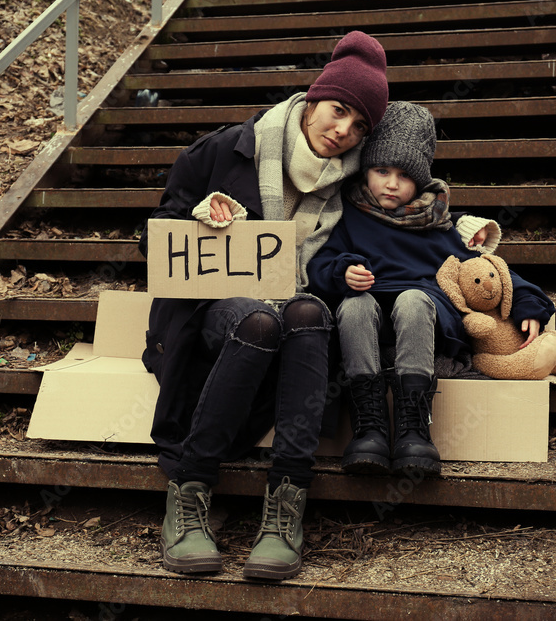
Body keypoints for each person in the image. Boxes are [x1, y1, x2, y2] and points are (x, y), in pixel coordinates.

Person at [138, 31, 388, 580]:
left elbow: (404, 233)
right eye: (338, 110)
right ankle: (189, 489)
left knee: (306, 313)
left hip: (296, 334)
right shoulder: (228, 149)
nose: (343, 130)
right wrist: (199, 219)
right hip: (209, 315)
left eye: (360, 125)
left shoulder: (354, 191)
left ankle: (285, 507)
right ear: (313, 100)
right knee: (258, 316)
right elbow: (152, 241)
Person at [307, 101, 555, 478]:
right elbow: (318, 264)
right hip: (366, 327)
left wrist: (527, 302)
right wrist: (342, 273)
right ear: (365, 170)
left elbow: (484, 270)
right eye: (381, 170)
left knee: (412, 298)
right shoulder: (347, 216)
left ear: (420, 181)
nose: (391, 183)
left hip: (424, 323)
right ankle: (369, 426)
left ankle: (413, 425)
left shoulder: (436, 226)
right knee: (355, 304)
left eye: (404, 176)